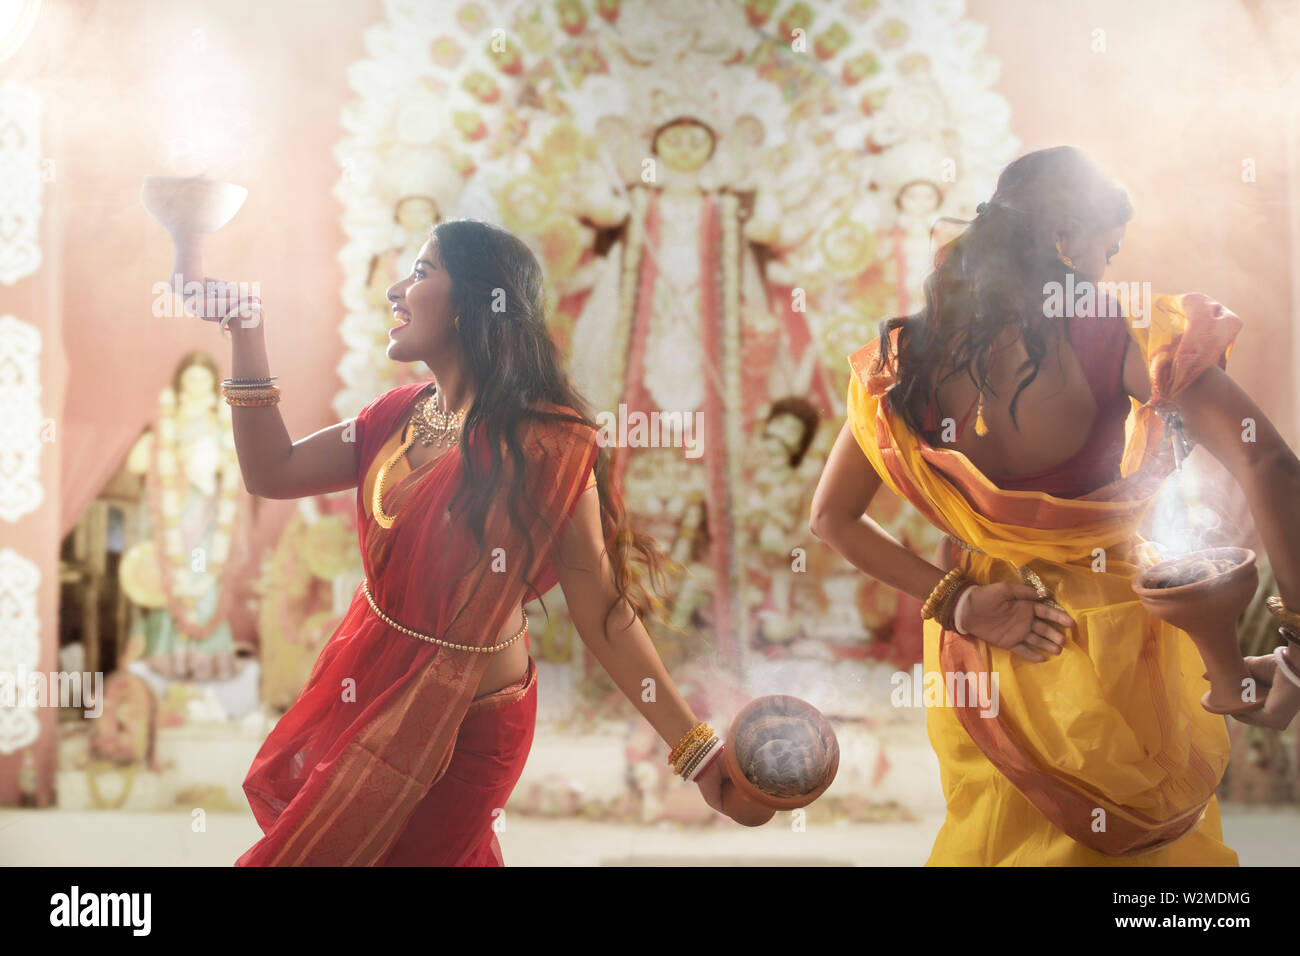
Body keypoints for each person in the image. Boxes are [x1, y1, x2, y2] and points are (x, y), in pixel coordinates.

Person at [206, 218, 769, 866]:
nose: (395, 291)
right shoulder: (396, 415)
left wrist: (697, 754)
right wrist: (247, 332)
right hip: (373, 685)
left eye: (420, 273)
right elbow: (271, 471)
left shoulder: (545, 445)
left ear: (478, 299)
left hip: (467, 727)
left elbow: (602, 614)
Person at [809, 146, 1300, 865]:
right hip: (1112, 639)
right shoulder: (1111, 329)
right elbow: (1269, 460)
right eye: (1108, 247)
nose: (1106, 267)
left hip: (985, 643)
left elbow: (830, 519)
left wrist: (957, 601)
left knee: (1000, 843)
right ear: (1067, 236)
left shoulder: (904, 359)